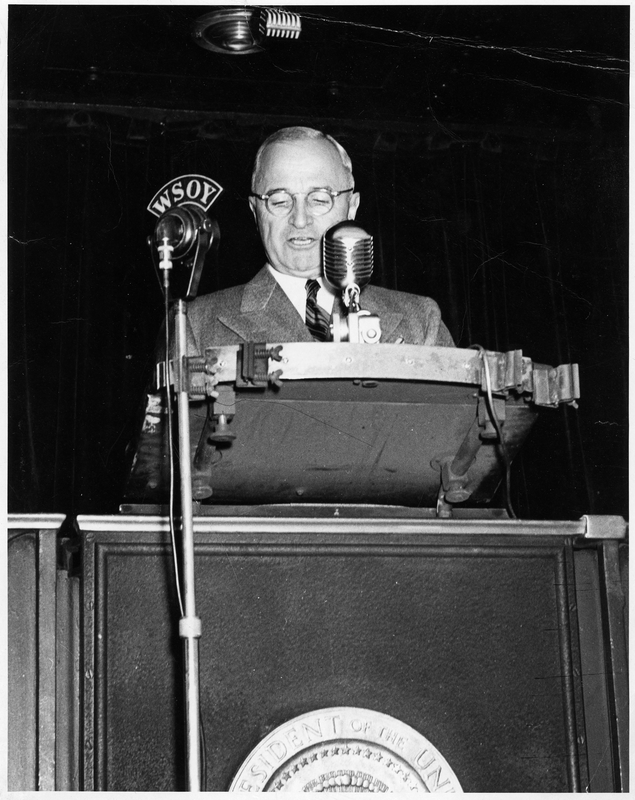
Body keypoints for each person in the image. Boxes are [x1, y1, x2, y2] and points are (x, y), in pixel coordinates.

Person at [184, 126, 455, 349]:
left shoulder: (420, 322)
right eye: (279, 201)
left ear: (351, 207)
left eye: (320, 199)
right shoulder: (195, 326)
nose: (300, 219)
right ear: (255, 213)